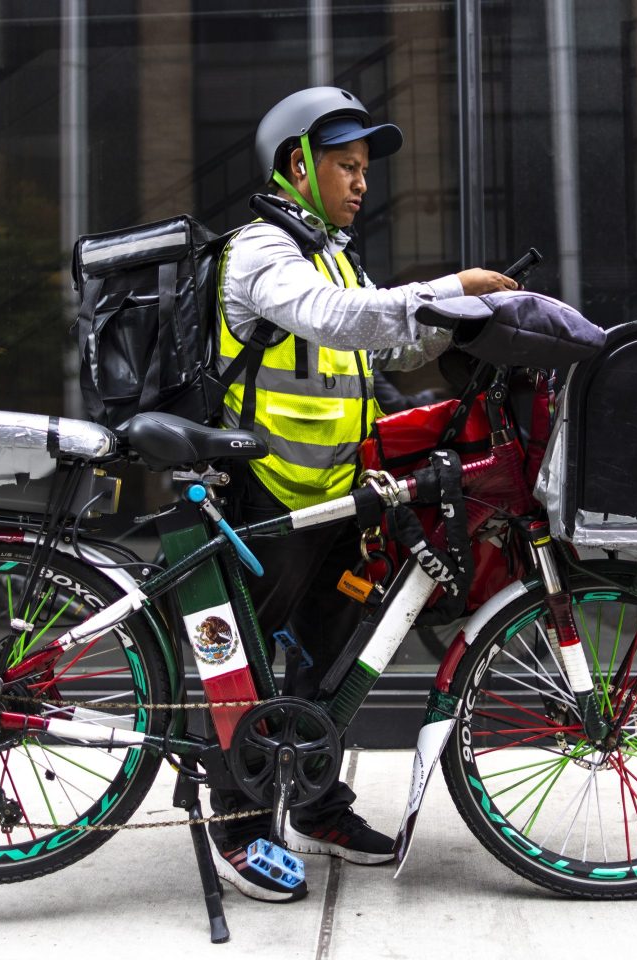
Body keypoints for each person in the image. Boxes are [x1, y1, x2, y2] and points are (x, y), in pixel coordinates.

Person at [206, 86, 516, 902]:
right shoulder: (261, 252)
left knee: (336, 654)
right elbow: (333, 318)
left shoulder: (338, 254)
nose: (361, 182)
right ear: (297, 164)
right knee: (239, 667)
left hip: (338, 496)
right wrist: (436, 290)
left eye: (365, 169)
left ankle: (314, 802)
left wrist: (469, 322)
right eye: (345, 166)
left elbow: (381, 353)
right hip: (265, 495)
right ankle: (236, 829)